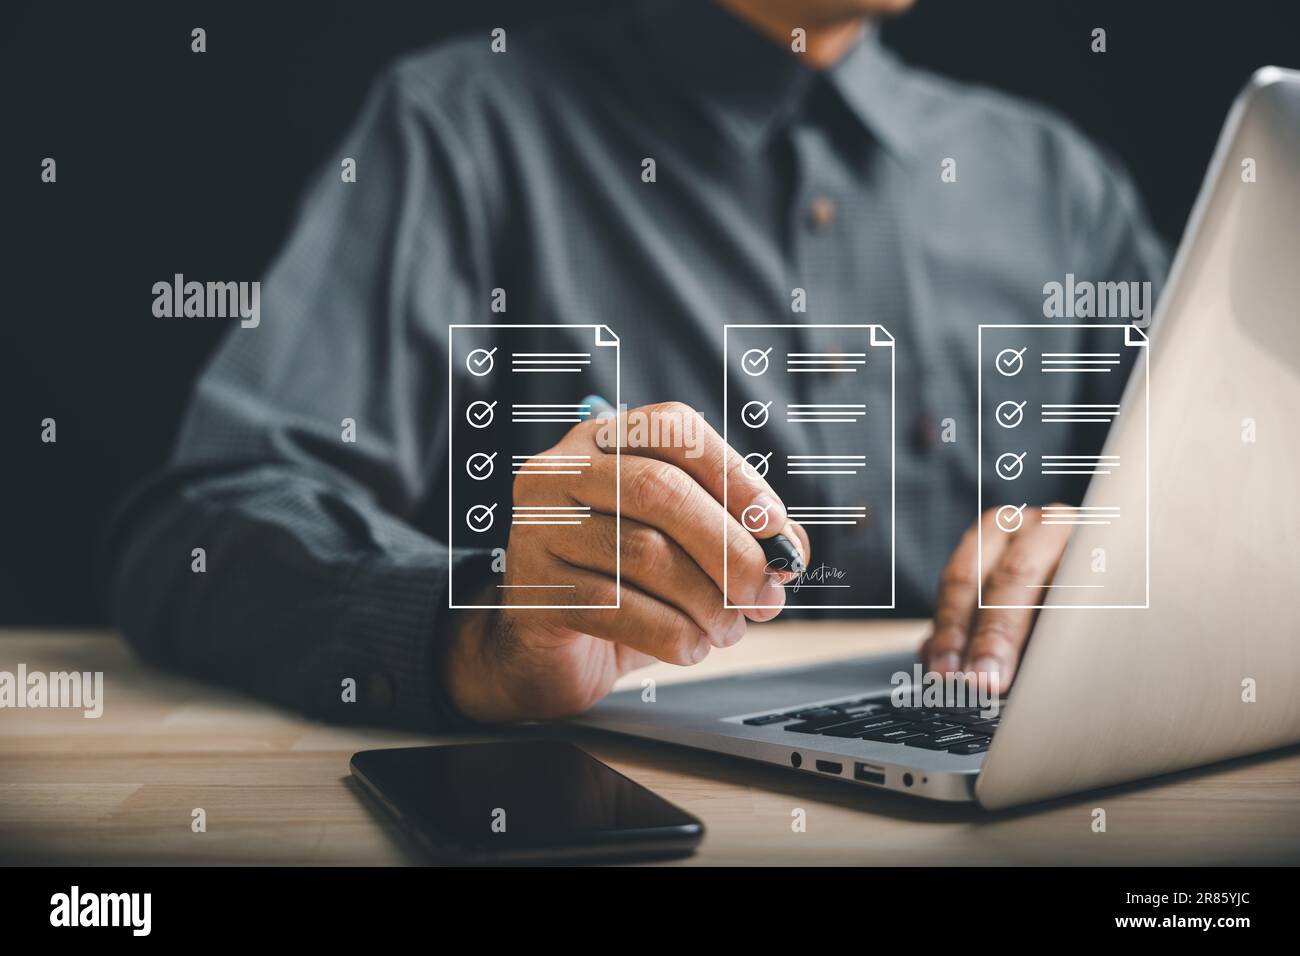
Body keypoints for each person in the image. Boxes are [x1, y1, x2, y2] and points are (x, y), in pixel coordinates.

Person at [107, 0, 1166, 729]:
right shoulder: (463, 130)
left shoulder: (1060, 186)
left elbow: (1247, 520)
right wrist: (476, 629)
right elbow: (203, 526)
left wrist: (1129, 555)